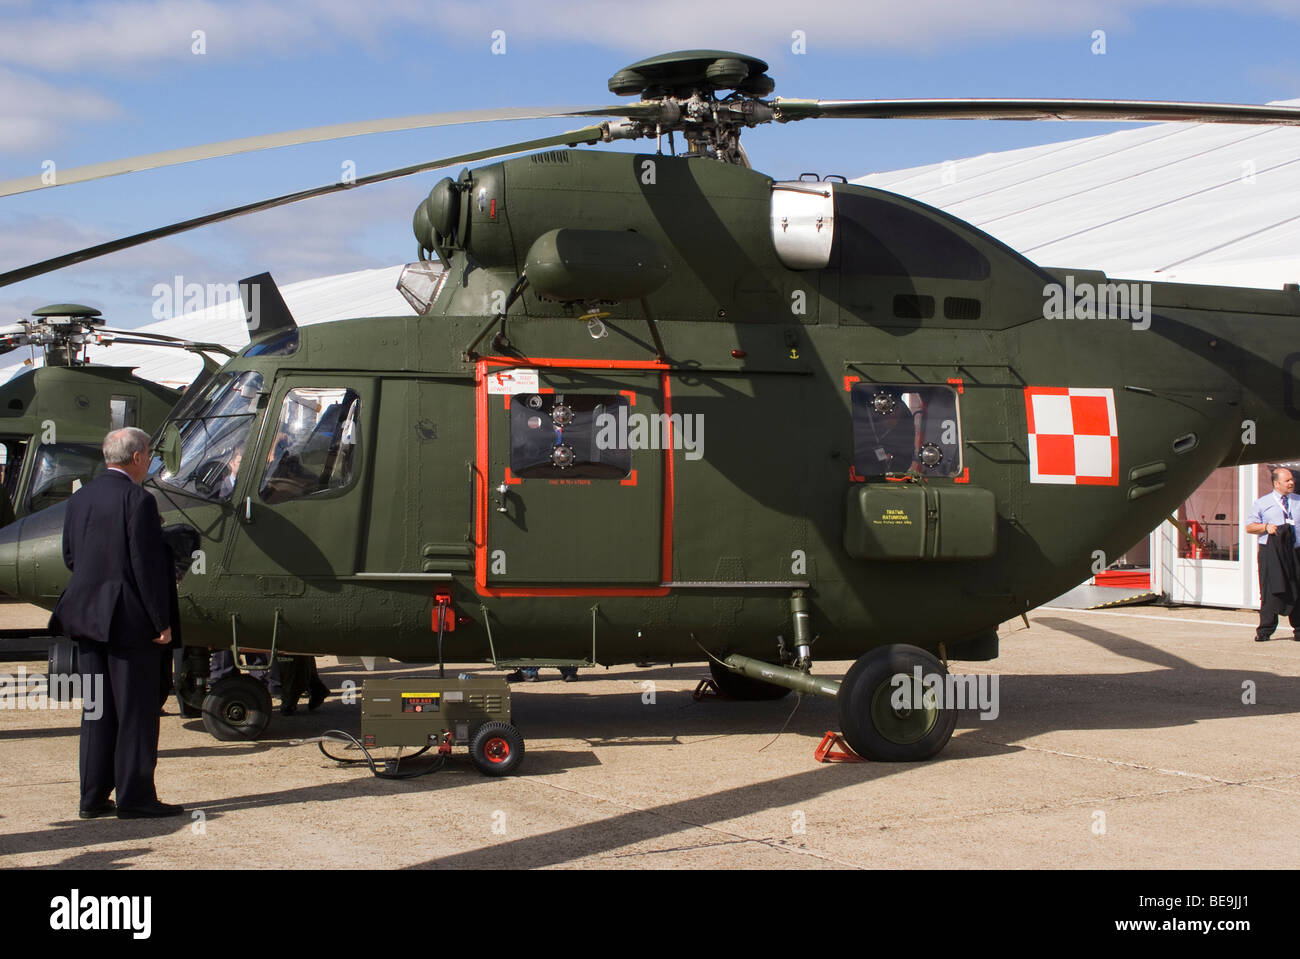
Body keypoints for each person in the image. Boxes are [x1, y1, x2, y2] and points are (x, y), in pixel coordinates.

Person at [50, 427, 185, 819]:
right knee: (136, 712)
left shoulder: (80, 498)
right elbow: (145, 569)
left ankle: (91, 797)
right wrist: (161, 622)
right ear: (139, 457)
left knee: (96, 711)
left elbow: (71, 556)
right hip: (129, 622)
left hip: (88, 619)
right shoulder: (138, 500)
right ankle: (135, 796)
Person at [1245, 466, 1300, 642]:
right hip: (1272, 553)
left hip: (1295, 551)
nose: (1292, 482)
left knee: (1298, 588)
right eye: (1287, 480)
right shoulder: (1262, 503)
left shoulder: (1298, 501)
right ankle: (1265, 630)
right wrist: (1265, 527)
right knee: (1270, 590)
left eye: (1292, 479)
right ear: (1276, 483)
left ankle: (1299, 629)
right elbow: (1249, 526)